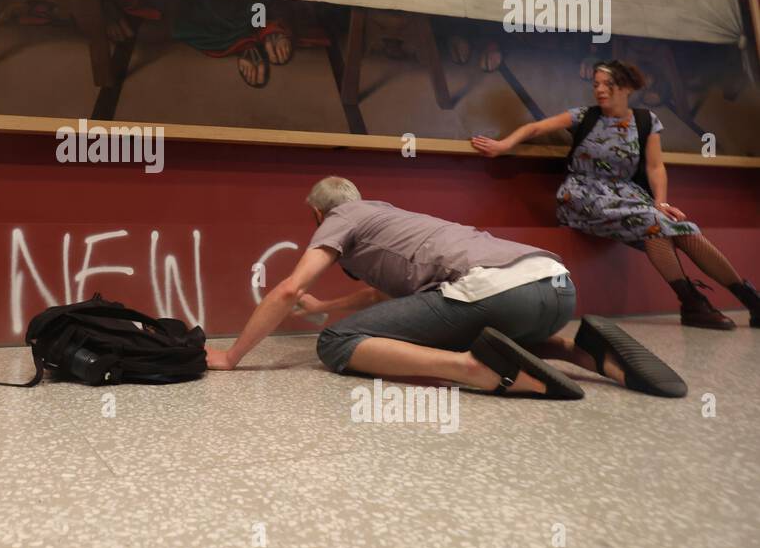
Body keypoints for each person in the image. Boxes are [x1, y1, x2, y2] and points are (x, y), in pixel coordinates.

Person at [206, 177, 688, 399]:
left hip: (496, 291)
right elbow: (381, 296)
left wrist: (231, 357)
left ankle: (474, 369)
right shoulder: (389, 216)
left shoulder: (341, 217)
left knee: (336, 343)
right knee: (438, 316)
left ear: (318, 214)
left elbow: (288, 289)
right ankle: (573, 350)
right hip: (555, 288)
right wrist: (327, 303)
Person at [471, 60, 760, 330]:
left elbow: (655, 166)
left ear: (627, 88)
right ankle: (695, 304)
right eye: (596, 84)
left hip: (629, 197)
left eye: (607, 85)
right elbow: (535, 127)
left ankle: (746, 301)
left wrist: (661, 202)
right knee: (653, 222)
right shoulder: (584, 116)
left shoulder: (647, 121)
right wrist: (503, 145)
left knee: (683, 229)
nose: (599, 90)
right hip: (582, 196)